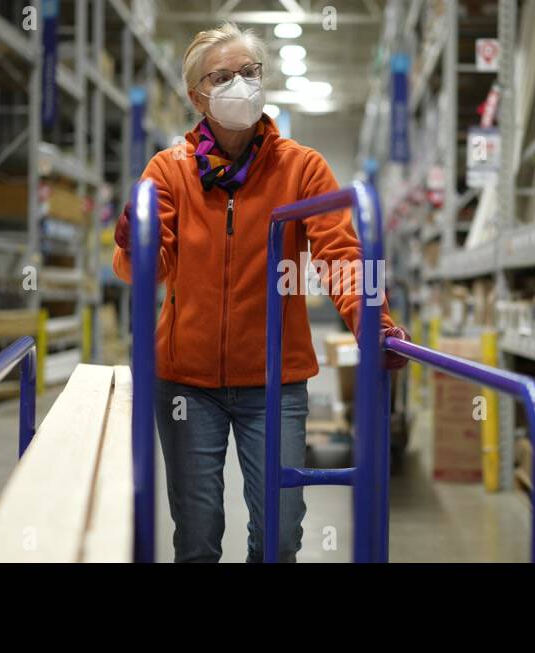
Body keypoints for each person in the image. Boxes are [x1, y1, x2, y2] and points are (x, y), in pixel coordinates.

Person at [113, 22, 409, 563]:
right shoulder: (169, 171)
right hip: (185, 381)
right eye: (222, 76)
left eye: (249, 73)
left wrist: (376, 325)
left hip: (275, 381)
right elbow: (145, 272)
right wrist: (135, 236)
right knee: (197, 534)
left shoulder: (302, 167)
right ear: (196, 94)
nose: (240, 86)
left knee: (281, 532)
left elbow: (340, 255)